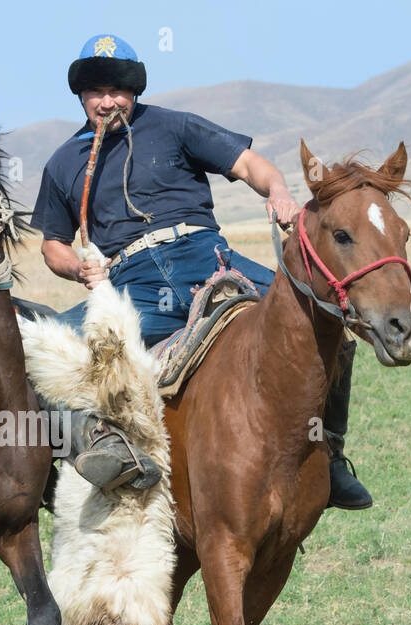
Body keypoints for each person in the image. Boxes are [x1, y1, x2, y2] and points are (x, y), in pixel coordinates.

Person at [31, 34, 374, 509]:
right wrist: (79, 267)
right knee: (41, 351)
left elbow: (251, 164)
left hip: (209, 260)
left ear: (135, 90)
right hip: (131, 282)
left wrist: (277, 191)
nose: (107, 101)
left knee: (326, 319)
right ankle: (89, 457)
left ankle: (331, 457)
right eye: (95, 91)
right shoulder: (65, 161)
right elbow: (51, 245)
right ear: (81, 95)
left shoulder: (176, 127)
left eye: (118, 90)